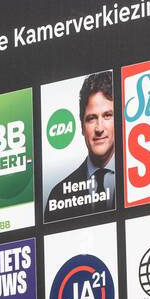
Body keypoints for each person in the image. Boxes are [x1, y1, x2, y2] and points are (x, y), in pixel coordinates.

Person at [44, 72, 117, 223]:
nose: (99, 128)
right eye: (91, 118)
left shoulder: (139, 178)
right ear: (82, 126)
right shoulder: (58, 196)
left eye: (107, 116)